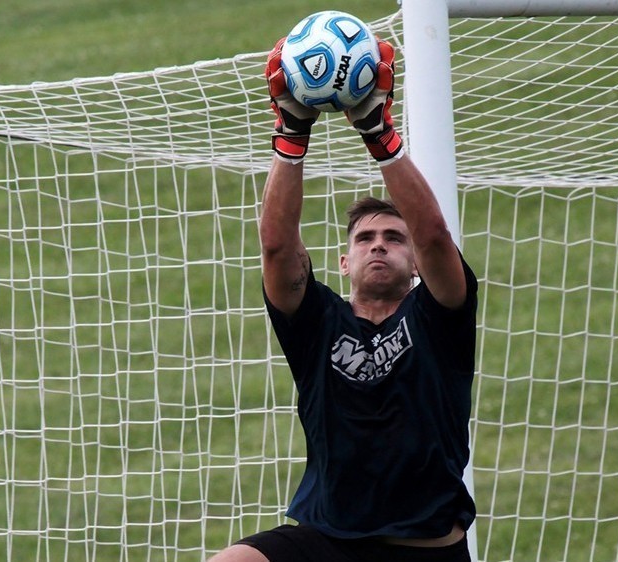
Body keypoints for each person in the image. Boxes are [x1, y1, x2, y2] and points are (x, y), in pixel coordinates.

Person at [210, 37, 478, 562]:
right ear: (343, 262)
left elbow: (433, 235)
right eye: (365, 239)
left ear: (416, 264)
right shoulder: (317, 322)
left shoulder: (439, 315)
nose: (379, 245)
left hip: (425, 548)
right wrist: (292, 133)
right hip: (330, 541)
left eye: (394, 239)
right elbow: (276, 246)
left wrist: (379, 134)